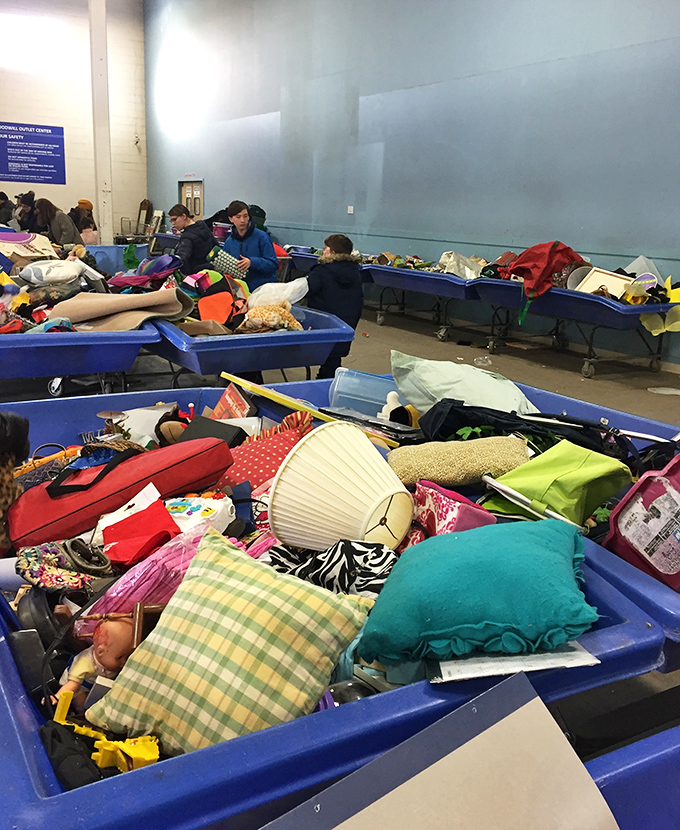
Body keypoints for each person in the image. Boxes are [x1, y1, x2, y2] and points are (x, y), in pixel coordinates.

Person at [306, 234, 364, 379]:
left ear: (332, 251)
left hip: (324, 322)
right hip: (346, 321)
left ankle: (323, 383)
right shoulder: (354, 272)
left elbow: (307, 289)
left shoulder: (321, 271)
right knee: (334, 357)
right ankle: (329, 381)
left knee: (325, 353)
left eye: (325, 248)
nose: (323, 251)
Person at [55, 617, 135, 712]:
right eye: (120, 657)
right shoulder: (85, 664)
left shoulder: (109, 655)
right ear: (101, 651)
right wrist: (57, 697)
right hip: (79, 685)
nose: (124, 662)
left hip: (96, 684)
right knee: (83, 704)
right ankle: (81, 713)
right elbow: (71, 685)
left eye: (128, 657)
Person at [222, 200, 278, 291]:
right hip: (239, 291)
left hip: (262, 290)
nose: (242, 220)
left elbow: (273, 264)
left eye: (245, 216)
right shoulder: (229, 242)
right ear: (231, 219)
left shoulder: (262, 237)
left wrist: (251, 262)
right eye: (238, 217)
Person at [168, 203, 217, 275]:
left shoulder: (187, 237)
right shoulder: (203, 226)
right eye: (171, 221)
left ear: (184, 216)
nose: (173, 223)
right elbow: (216, 246)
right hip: (211, 271)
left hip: (195, 275)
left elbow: (181, 260)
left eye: (174, 219)